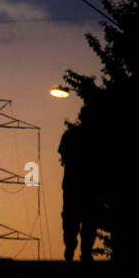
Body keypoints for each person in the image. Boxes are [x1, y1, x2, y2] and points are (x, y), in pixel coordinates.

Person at [59, 111, 99, 263]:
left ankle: (71, 249)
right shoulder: (96, 138)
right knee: (87, 221)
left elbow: (63, 156)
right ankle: (84, 252)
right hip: (88, 187)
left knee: (72, 221)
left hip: (73, 186)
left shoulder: (70, 136)